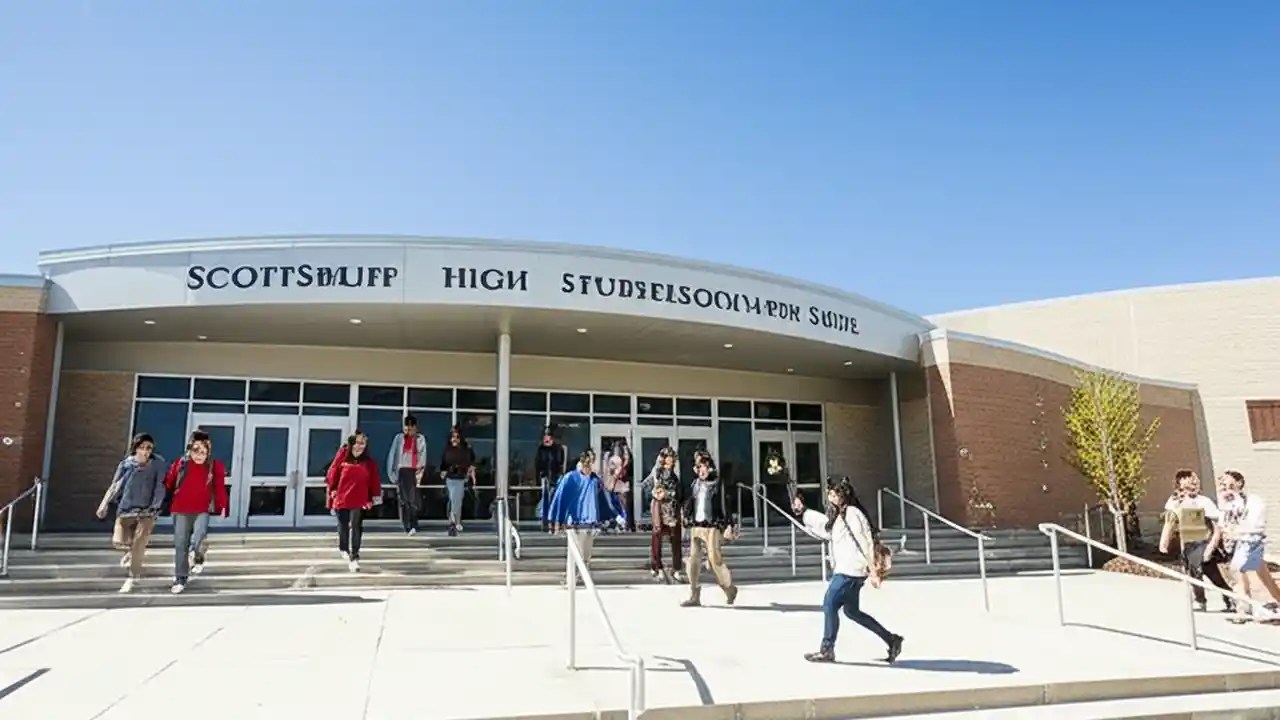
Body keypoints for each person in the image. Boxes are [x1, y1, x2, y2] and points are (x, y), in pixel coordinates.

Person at [792, 476, 903, 664]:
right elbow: (826, 530)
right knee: (852, 612)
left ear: (842, 495)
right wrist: (803, 513)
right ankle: (891, 639)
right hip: (850, 570)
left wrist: (873, 570)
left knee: (829, 604)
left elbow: (865, 540)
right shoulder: (840, 514)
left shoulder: (852, 513)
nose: (830, 497)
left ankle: (827, 649)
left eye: (833, 494)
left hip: (850, 570)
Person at [96, 433, 166, 594]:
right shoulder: (126, 465)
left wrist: (155, 507)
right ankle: (129, 552)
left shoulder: (157, 465)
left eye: (149, 448)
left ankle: (132, 578)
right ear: (136, 448)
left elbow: (160, 487)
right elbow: (115, 486)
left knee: (139, 544)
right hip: (126, 509)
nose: (146, 451)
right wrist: (104, 504)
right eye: (142, 448)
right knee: (118, 541)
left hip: (146, 511)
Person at [1158, 469, 1234, 612]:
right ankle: (1210, 599)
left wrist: (1212, 545)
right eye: (1184, 479)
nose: (1189, 481)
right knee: (1196, 573)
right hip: (1188, 543)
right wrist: (1164, 541)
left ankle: (1223, 597)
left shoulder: (1203, 501)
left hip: (1202, 541)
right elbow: (1170, 521)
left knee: (1206, 572)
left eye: (1191, 478)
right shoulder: (1175, 501)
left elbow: (1217, 525)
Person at [164, 432, 229, 594]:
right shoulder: (181, 463)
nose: (200, 455)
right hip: (180, 508)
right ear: (189, 450)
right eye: (196, 451)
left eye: (203, 452)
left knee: (199, 539)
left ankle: (198, 557)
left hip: (202, 508)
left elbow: (219, 487)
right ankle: (180, 578)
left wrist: (223, 506)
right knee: (181, 544)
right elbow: (169, 483)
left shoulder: (214, 466)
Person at [547, 449, 617, 581]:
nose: (592, 466)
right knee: (575, 552)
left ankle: (583, 577)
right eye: (590, 462)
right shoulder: (571, 478)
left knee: (586, 554)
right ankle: (571, 578)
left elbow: (603, 500)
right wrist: (557, 520)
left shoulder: (595, 480)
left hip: (590, 522)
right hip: (575, 522)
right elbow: (561, 498)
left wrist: (605, 519)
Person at [681, 452, 739, 608]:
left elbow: (725, 503)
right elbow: (690, 501)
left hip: (712, 526)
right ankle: (694, 594)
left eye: (704, 467)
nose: (701, 470)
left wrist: (729, 523)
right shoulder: (695, 484)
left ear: (710, 467)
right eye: (699, 467)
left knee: (714, 559)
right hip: (696, 526)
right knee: (693, 560)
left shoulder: (717, 483)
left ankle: (729, 588)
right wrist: (686, 515)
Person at [1219, 469, 1280, 616]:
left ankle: (1243, 607)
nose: (1224, 485)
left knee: (1236, 569)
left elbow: (1254, 523)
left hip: (1250, 540)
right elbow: (1223, 522)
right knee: (1261, 574)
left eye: (1227, 481)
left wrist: (1238, 532)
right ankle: (1275, 598)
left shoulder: (1252, 501)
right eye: (1222, 482)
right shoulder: (1226, 503)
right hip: (1235, 543)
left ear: (1239, 483)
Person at [327, 431, 383, 572]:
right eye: (357, 443)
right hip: (342, 497)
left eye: (362, 444)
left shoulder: (369, 463)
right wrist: (332, 490)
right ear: (351, 444)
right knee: (343, 525)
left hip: (360, 498)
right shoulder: (343, 458)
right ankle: (344, 548)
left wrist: (373, 498)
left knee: (356, 526)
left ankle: (355, 555)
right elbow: (332, 473)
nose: (359, 446)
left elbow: (374, 481)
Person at [643, 447, 683, 583]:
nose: (671, 460)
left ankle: (676, 568)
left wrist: (669, 494)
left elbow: (678, 493)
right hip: (659, 507)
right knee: (657, 536)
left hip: (672, 509)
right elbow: (645, 486)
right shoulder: (656, 473)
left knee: (676, 538)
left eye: (672, 458)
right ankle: (657, 567)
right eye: (668, 457)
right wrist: (654, 493)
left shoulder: (674, 477)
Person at [386, 415, 428, 536]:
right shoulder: (399, 438)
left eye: (410, 429)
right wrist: (392, 473)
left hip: (413, 470)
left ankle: (414, 523)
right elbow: (393, 455)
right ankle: (406, 525)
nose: (407, 432)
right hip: (402, 470)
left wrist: (419, 473)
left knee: (413, 500)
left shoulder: (420, 439)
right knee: (403, 500)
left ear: (415, 428)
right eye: (405, 429)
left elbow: (422, 456)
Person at [439, 426, 476, 536]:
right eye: (452, 437)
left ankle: (455, 520)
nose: (454, 439)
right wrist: (443, 472)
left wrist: (470, 474)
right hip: (451, 478)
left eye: (456, 437)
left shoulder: (466, 451)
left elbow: (471, 463)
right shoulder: (448, 450)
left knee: (457, 500)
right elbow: (443, 465)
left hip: (461, 478)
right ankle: (454, 520)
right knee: (454, 498)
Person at [535, 426, 568, 533]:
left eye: (547, 437)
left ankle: (554, 519)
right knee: (546, 497)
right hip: (545, 476)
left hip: (555, 476)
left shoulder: (558, 449)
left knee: (554, 498)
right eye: (544, 437)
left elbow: (560, 462)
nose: (546, 439)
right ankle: (546, 519)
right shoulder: (541, 449)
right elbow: (538, 463)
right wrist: (540, 474)